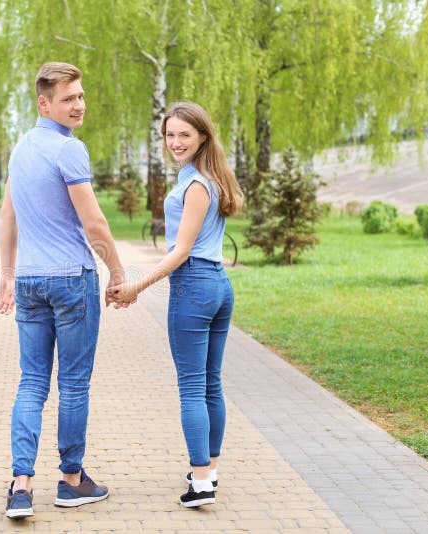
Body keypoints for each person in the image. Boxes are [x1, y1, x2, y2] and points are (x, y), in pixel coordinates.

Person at [0, 61, 127, 519]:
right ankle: (71, 481)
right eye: (69, 98)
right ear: (44, 103)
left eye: (81, 96)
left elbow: (9, 219)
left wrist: (9, 274)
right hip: (71, 280)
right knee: (72, 384)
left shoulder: (20, 150)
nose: (79, 105)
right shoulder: (69, 151)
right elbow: (94, 222)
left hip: (31, 282)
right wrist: (118, 271)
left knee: (32, 382)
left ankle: (20, 485)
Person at [109, 101, 243, 508]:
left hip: (195, 287)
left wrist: (136, 286)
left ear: (202, 136)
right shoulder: (203, 178)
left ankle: (201, 483)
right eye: (170, 134)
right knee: (210, 384)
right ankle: (209, 471)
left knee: (193, 387)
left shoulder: (198, 185)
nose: (175, 142)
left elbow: (181, 251)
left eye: (185, 134)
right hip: (217, 286)